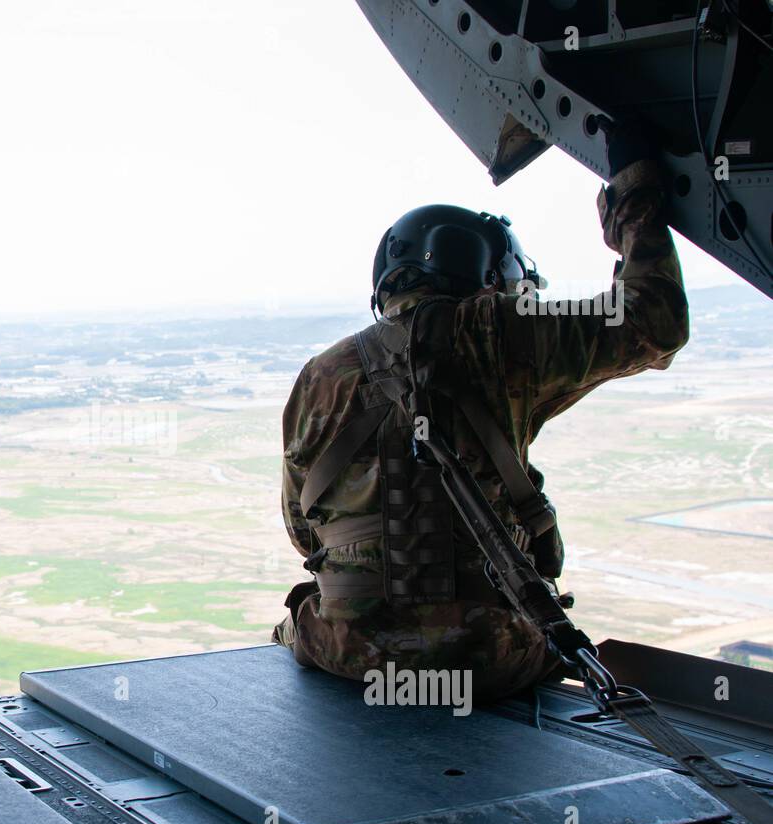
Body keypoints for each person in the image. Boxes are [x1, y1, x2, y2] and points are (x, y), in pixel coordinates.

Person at [273, 127, 689, 700]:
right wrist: (632, 190)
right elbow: (654, 320)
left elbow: (304, 530)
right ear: (489, 276)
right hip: (488, 655)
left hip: (347, 652)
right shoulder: (499, 331)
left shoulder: (318, 375)